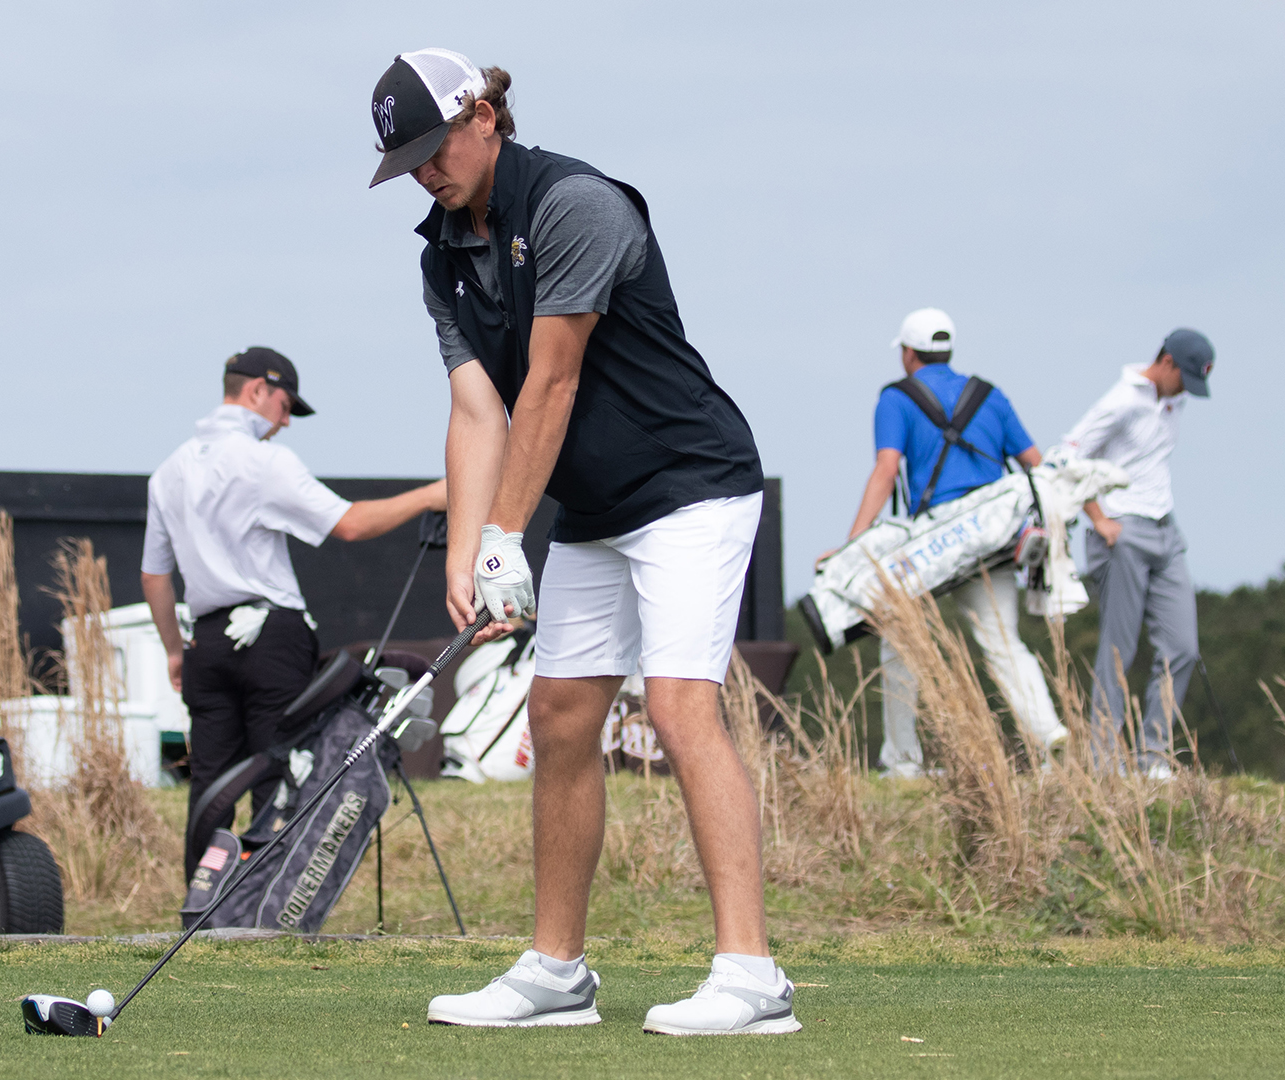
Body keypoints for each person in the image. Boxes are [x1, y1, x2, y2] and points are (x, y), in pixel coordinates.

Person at [367, 48, 797, 1035]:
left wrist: (510, 536)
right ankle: (557, 972)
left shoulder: (577, 204)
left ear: (483, 117)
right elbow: (477, 410)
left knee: (682, 705)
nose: (427, 173)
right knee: (560, 714)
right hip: (598, 510)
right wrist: (472, 550)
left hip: (691, 485)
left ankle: (752, 975)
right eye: (408, 163)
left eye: (435, 148)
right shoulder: (440, 255)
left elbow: (550, 384)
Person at [140, 347, 446, 870]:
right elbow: (348, 524)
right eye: (285, 406)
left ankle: (202, 906)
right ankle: (260, 904)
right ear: (258, 390)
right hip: (271, 639)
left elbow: (154, 576)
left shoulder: (167, 472)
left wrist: (174, 650)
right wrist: (430, 496)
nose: (284, 423)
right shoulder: (263, 461)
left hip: (207, 643)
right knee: (277, 768)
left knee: (210, 783)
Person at [828, 308, 1067, 777]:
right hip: (991, 540)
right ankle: (1047, 738)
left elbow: (886, 469)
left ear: (908, 353)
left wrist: (852, 545)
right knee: (1003, 645)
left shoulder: (895, 400)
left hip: (930, 547)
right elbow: (1036, 463)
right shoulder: (989, 396)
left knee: (902, 646)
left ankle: (902, 761)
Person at [1060, 328, 1215, 776]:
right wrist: (1100, 519)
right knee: (1118, 649)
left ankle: (1155, 757)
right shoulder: (1121, 400)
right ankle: (1105, 761)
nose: (1187, 388)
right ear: (1166, 362)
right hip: (1121, 533)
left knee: (1183, 646)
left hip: (1167, 531)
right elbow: (1067, 455)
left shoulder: (1173, 398)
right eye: (1184, 376)